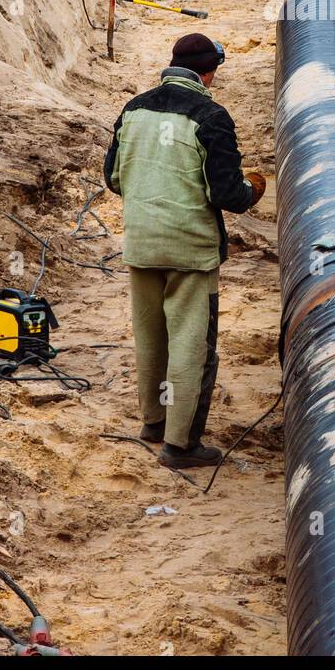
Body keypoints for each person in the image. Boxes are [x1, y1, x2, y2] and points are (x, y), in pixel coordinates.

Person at [104, 33, 266, 468]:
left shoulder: (133, 109)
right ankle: (181, 444)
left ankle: (154, 422)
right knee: (191, 346)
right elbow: (227, 193)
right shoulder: (211, 116)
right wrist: (255, 190)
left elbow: (114, 178)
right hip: (190, 250)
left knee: (151, 338)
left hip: (141, 243)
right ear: (208, 72)